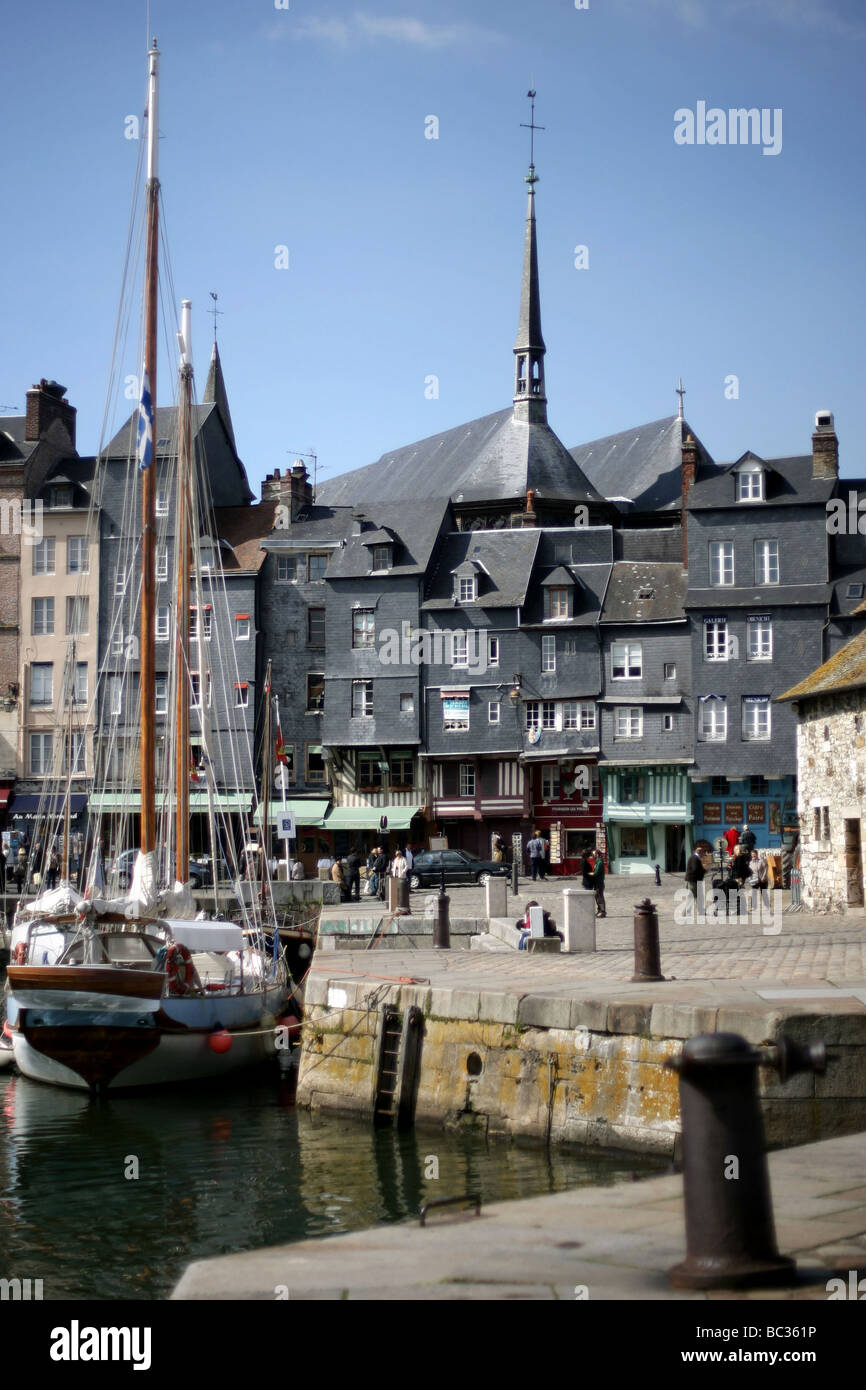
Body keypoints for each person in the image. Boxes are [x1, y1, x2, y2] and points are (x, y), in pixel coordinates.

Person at [592, 851, 607, 918]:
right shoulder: (597, 861)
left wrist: (588, 874)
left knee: (600, 897)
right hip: (596, 882)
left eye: (593, 854)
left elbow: (596, 872)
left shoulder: (600, 862)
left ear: (597, 854)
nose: (593, 855)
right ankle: (599, 910)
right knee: (597, 897)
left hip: (599, 883)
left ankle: (603, 912)